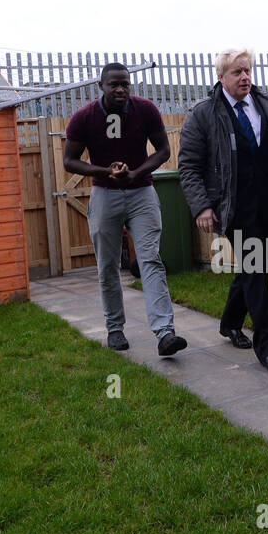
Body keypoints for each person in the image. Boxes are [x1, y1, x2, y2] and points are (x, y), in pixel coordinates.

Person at [177, 49, 268, 375]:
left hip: (267, 202)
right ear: (221, 77)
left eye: (247, 71)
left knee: (254, 266)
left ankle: (231, 322)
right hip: (233, 208)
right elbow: (189, 166)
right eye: (237, 73)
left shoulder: (267, 105)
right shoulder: (204, 114)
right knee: (256, 273)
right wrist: (203, 206)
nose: (245, 77)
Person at [63, 63, 186, 357]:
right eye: (114, 84)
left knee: (150, 260)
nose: (120, 89)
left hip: (141, 192)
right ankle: (115, 328)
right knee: (107, 265)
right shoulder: (84, 118)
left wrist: (138, 172)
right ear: (101, 86)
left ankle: (165, 333)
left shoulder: (145, 110)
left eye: (125, 84)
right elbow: (70, 160)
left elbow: (163, 151)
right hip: (105, 194)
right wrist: (103, 171)